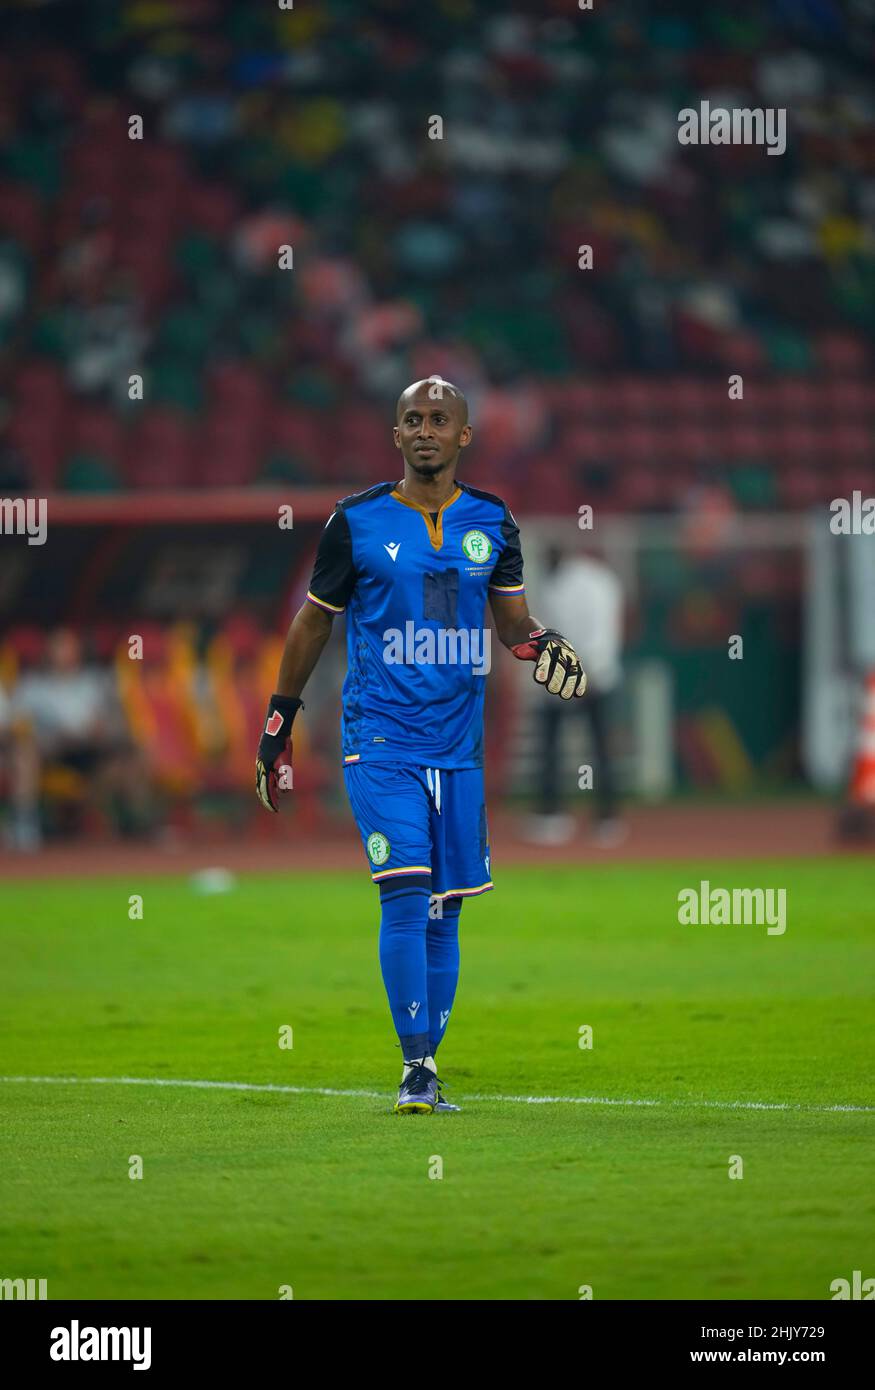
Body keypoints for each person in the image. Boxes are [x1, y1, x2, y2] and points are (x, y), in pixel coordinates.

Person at [255, 378, 587, 1114]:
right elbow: (314, 624)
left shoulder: (493, 522)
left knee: (448, 908)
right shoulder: (356, 521)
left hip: (458, 748)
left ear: (465, 435)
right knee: (405, 891)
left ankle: (428, 1061)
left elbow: (510, 624)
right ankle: (415, 1067)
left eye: (440, 419)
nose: (426, 429)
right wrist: (278, 726)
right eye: (413, 419)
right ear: (396, 435)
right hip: (379, 740)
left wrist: (542, 644)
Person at [528, 545, 625, 847]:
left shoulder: (590, 583)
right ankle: (555, 814)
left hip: (591, 675)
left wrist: (589, 672)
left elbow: (599, 629)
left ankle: (605, 819)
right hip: (563, 676)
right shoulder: (553, 583)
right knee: (554, 746)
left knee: (595, 749)